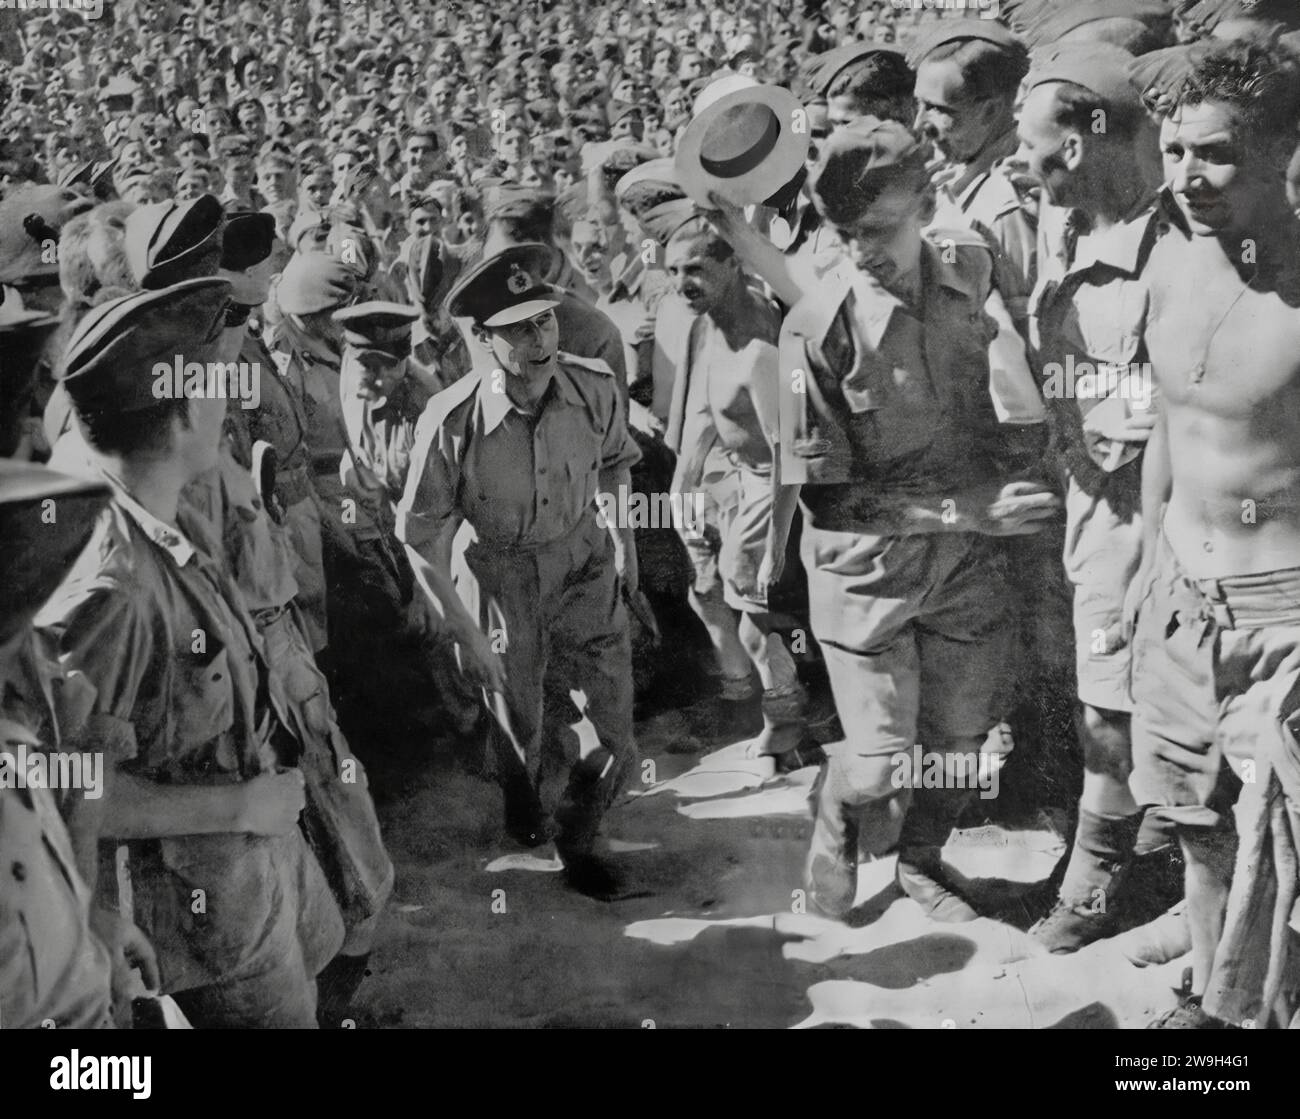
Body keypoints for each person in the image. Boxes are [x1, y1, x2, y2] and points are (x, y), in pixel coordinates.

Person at [773, 120, 1061, 921]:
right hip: (866, 570)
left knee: (963, 744)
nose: (860, 252)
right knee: (877, 763)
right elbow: (826, 498)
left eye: (877, 231)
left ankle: (919, 858)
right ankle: (838, 811)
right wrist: (963, 507)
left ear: (928, 206)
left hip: (965, 563)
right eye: (841, 234)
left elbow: (1005, 379)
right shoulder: (813, 330)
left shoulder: (971, 266)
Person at [37, 279, 345, 1027]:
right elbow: (65, 784)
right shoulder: (111, 586)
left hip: (253, 865)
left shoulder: (169, 515)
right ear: (180, 416)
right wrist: (238, 805)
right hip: (201, 912)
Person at [1130, 37, 1300, 1029]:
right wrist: (1155, 555)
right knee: (1197, 834)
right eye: (1174, 152)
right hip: (1180, 615)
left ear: (1283, 147)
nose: (1189, 177)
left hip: (1285, 626)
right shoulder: (1171, 256)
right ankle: (1208, 1014)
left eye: (1217, 154)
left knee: (1282, 852)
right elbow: (1165, 421)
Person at [396, 244, 640, 899]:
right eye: (521, 329)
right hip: (503, 577)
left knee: (614, 727)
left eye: (547, 321)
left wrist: (626, 545)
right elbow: (419, 536)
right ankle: (525, 822)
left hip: (584, 561)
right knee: (519, 722)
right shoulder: (451, 419)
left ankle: (580, 836)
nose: (541, 339)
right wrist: (464, 634)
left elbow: (616, 462)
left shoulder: (594, 385)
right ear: (484, 339)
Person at [1014, 45, 1183, 953]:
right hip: (1085, 505)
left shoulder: (1171, 239)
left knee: (1113, 705)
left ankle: (1098, 879)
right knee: (1101, 693)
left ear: (1077, 146)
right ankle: (1137, 850)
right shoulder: (1070, 225)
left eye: (1030, 139)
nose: (1021, 159)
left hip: (1145, 505)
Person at [658, 209, 813, 769]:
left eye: (695, 268)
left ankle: (784, 726)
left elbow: (786, 456)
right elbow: (704, 415)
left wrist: (773, 543)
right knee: (709, 592)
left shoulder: (759, 346)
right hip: (733, 481)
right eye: (673, 272)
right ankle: (768, 709)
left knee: (750, 612)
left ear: (732, 262)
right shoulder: (710, 329)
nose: (682, 285)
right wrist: (683, 486)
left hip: (768, 489)